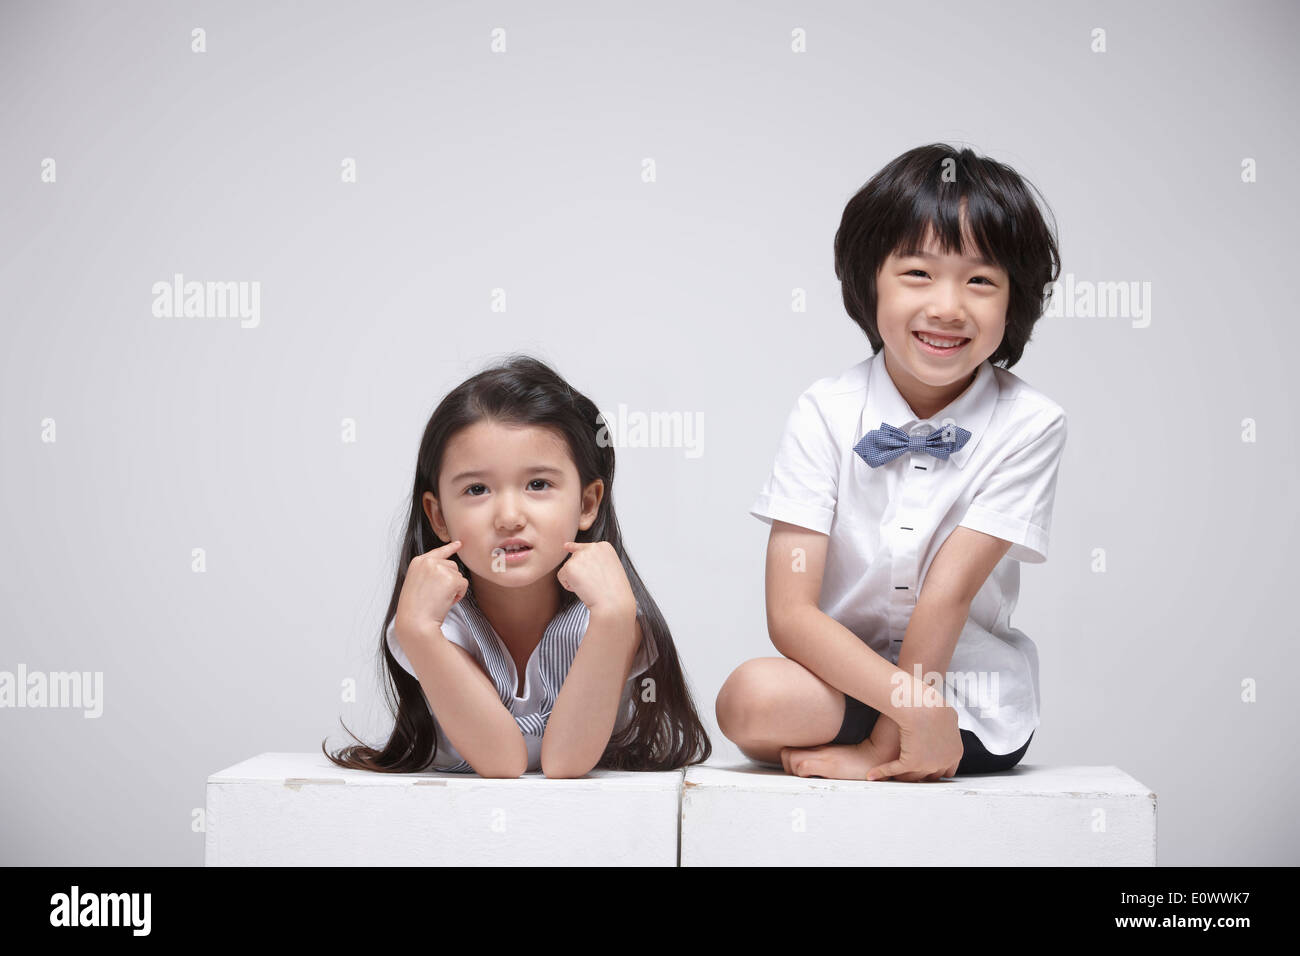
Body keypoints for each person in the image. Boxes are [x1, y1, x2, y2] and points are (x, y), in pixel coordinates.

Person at [716, 143, 1068, 782]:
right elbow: (790, 612)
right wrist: (900, 707)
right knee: (750, 699)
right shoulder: (825, 409)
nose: (947, 307)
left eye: (981, 280)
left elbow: (947, 595)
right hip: (848, 684)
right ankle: (898, 730)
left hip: (963, 697)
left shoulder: (1031, 422)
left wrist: (901, 732)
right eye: (917, 274)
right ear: (868, 279)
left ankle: (911, 745)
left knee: (944, 706)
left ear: (1014, 299)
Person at [325, 355, 711, 777]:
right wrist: (417, 632)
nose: (509, 516)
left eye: (538, 485)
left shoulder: (610, 614)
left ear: (586, 503)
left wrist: (616, 616)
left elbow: (564, 764)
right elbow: (503, 761)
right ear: (438, 517)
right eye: (477, 489)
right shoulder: (432, 625)